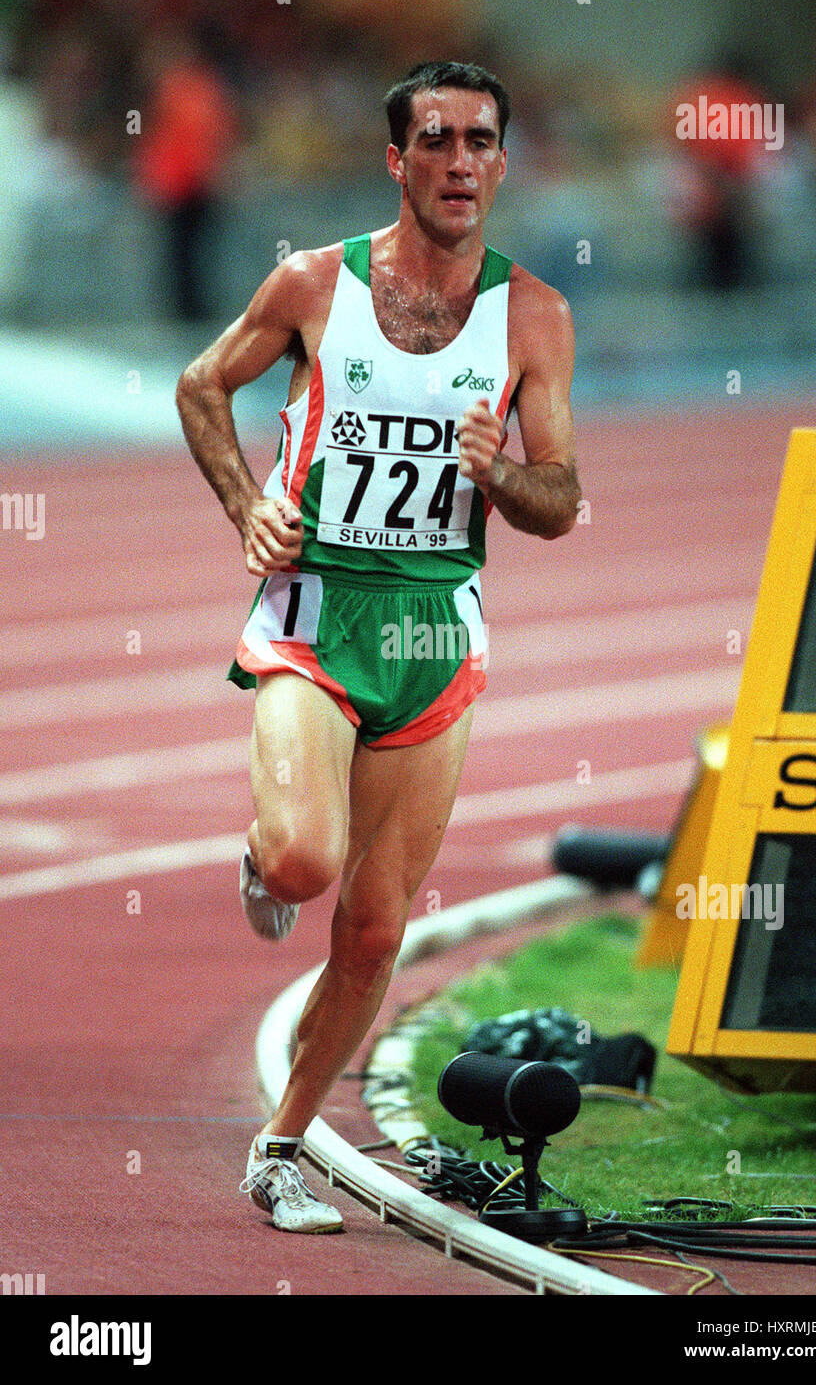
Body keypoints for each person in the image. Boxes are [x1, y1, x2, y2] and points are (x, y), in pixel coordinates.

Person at [176, 60, 581, 1233]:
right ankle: (263, 859)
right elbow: (204, 387)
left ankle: (280, 1143)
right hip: (314, 611)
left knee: (373, 925)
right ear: (394, 159)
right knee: (305, 865)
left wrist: (493, 469)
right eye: (438, 141)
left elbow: (556, 499)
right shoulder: (313, 284)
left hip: (429, 629)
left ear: (500, 163)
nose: (462, 163)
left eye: (482, 143)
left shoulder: (535, 314)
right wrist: (248, 503)